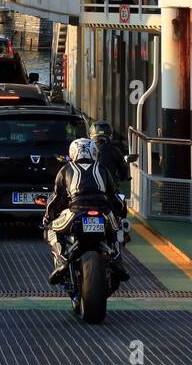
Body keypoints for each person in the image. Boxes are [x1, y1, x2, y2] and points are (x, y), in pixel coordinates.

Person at [42, 137, 129, 286]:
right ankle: (116, 260)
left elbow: (55, 199)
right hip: (103, 211)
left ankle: (62, 260)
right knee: (118, 229)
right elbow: (114, 198)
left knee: (50, 230)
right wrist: (121, 213)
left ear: (73, 152)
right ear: (94, 152)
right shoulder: (102, 169)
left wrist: (47, 218)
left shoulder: (66, 169)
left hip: (76, 211)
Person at [88, 120, 130, 185]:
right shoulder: (115, 150)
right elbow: (123, 170)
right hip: (110, 185)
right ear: (110, 135)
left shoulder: (87, 150)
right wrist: (123, 176)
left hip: (90, 185)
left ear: (91, 135)